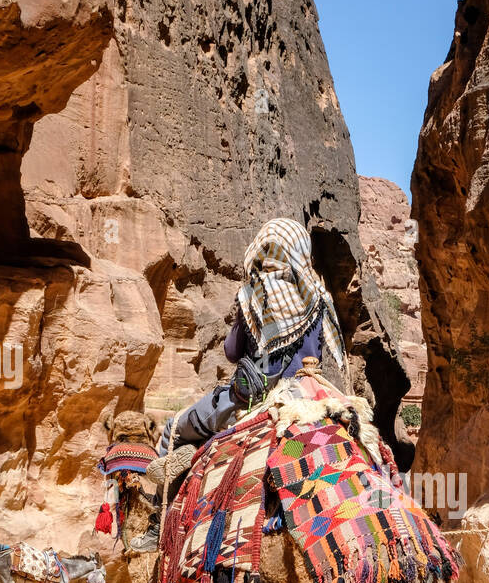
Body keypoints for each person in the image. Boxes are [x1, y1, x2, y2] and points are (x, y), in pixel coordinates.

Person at [130, 217, 347, 553]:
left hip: (256, 400)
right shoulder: (317, 297)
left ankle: (158, 530)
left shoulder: (256, 293)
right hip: (309, 395)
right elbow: (317, 353)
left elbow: (232, 352)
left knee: (173, 429)